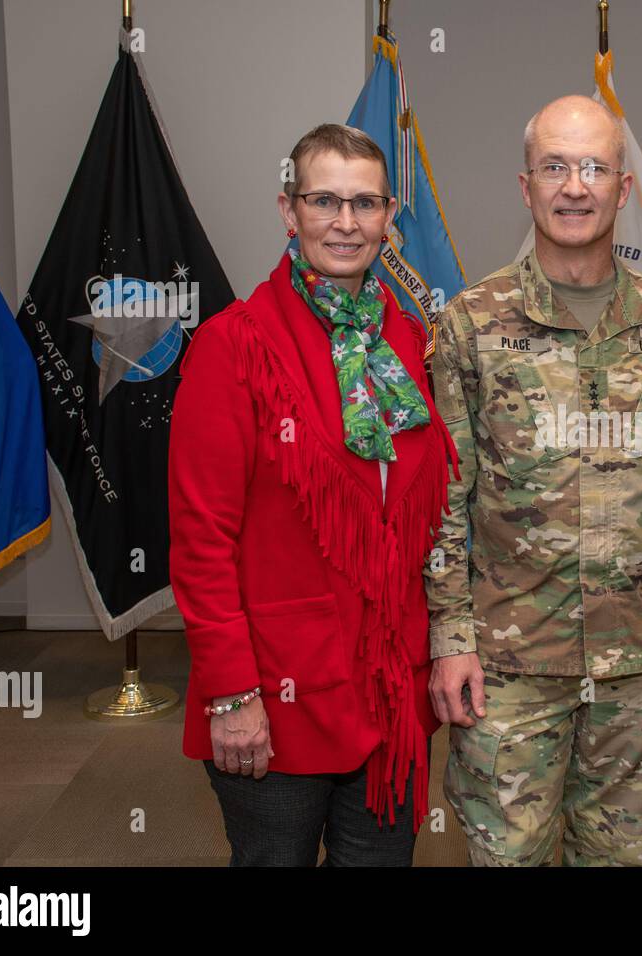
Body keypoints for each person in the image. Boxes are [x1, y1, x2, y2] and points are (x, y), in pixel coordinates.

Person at [425, 95, 642, 866]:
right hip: (510, 664)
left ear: (623, 188)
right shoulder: (470, 323)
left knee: (618, 859)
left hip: (638, 660)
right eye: (554, 166)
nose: (574, 185)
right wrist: (450, 637)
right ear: (525, 186)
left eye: (594, 167)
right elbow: (446, 498)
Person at [168, 123, 456, 866]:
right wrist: (231, 695)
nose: (346, 222)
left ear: (391, 217)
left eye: (365, 203)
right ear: (288, 210)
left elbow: (428, 514)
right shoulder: (235, 345)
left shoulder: (410, 341)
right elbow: (201, 539)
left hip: (391, 693)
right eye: (324, 200)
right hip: (277, 692)